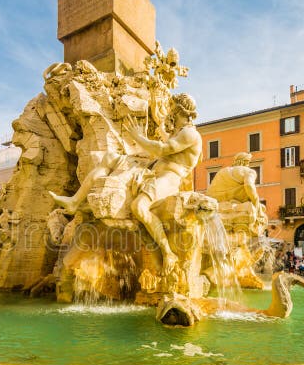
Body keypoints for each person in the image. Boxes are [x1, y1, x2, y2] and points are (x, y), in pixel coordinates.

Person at [51, 94, 202, 274]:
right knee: (109, 158)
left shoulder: (189, 133)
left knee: (139, 206)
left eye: (172, 108)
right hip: (151, 170)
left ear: (178, 110)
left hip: (169, 178)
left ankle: (167, 252)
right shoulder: (177, 132)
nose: (169, 111)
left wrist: (138, 137)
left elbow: (162, 149)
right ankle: (74, 201)